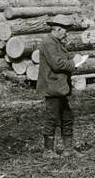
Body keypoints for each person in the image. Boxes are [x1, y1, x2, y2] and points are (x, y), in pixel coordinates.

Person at [36, 25, 88, 156]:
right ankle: (48, 151)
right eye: (65, 31)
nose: (66, 33)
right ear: (57, 29)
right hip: (52, 86)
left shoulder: (55, 42)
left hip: (59, 86)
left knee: (67, 117)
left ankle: (68, 149)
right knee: (52, 118)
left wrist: (73, 61)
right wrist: (73, 63)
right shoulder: (48, 43)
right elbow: (57, 64)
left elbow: (60, 60)